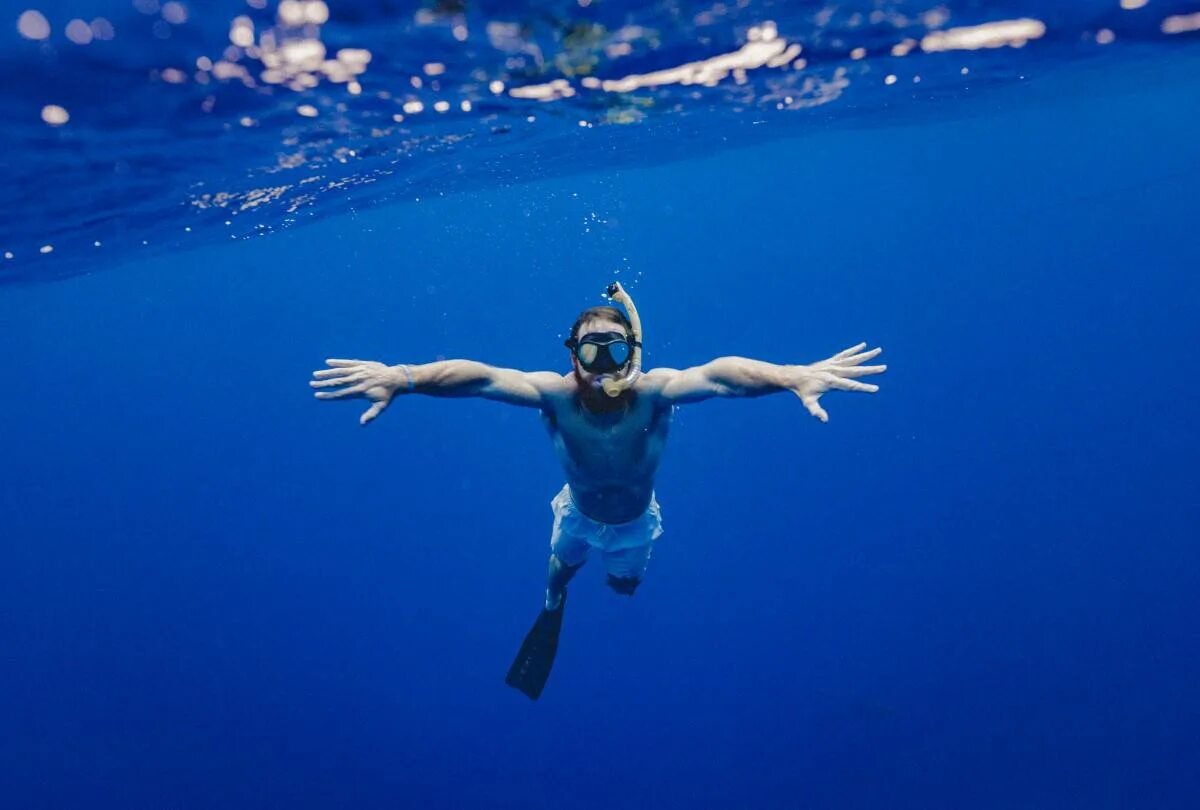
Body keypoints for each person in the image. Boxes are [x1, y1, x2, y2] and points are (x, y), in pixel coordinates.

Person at [310, 283, 885, 699]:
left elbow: (722, 374)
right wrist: (404, 378)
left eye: (614, 349)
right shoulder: (555, 395)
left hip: (636, 522)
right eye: (590, 350)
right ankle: (555, 602)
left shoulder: (657, 392)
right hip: (577, 511)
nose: (602, 364)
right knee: (558, 572)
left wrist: (790, 377)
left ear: (632, 353)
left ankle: (612, 580)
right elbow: (480, 376)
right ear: (572, 356)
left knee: (625, 584)